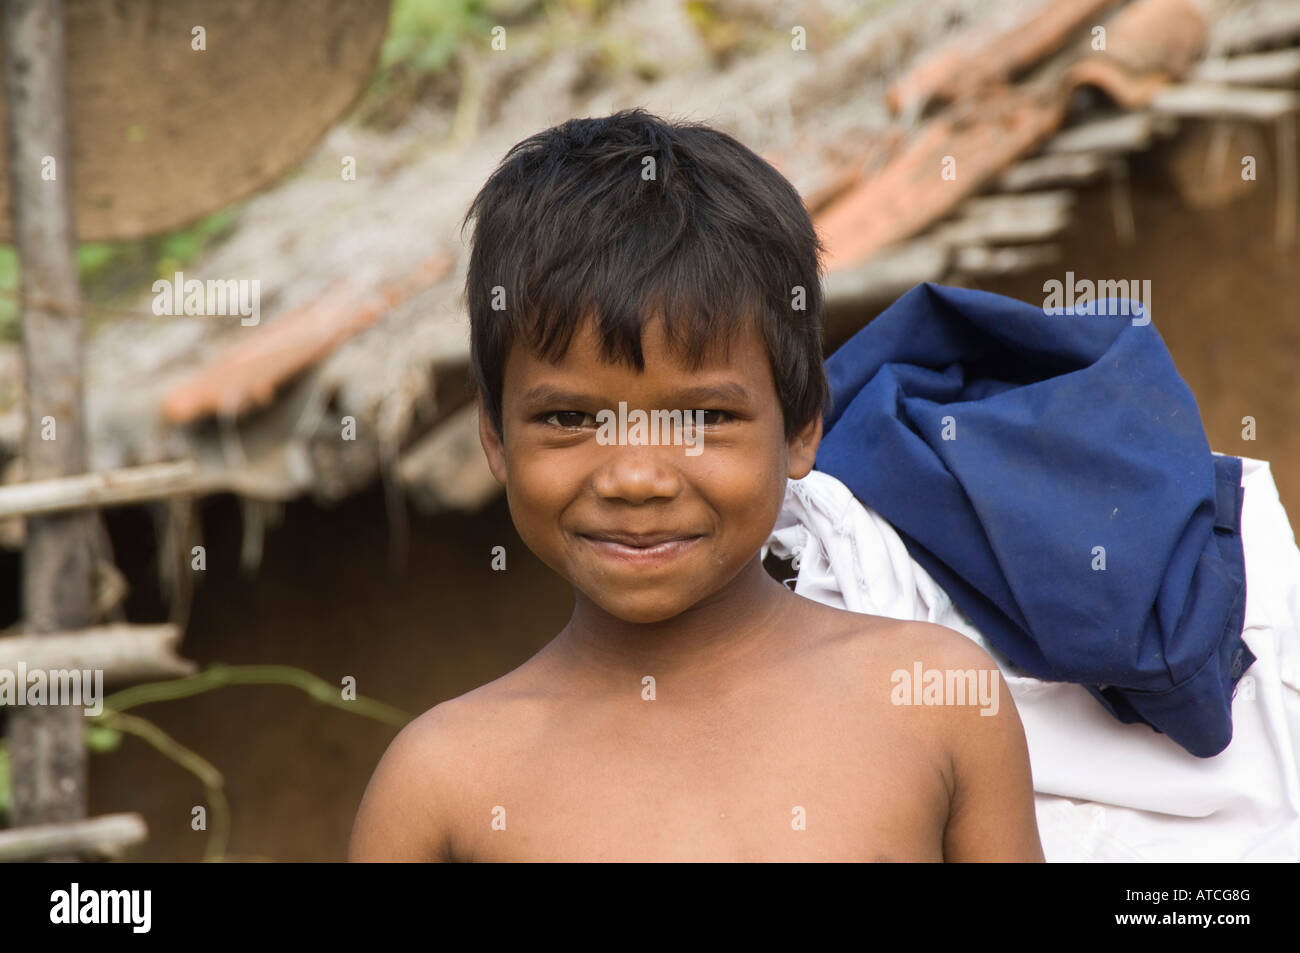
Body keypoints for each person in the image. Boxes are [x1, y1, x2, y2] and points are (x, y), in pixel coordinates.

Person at [347, 108, 1044, 862]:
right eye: (570, 417)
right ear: (495, 436)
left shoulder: (934, 701)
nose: (636, 477)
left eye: (704, 417)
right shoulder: (443, 783)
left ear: (802, 426)